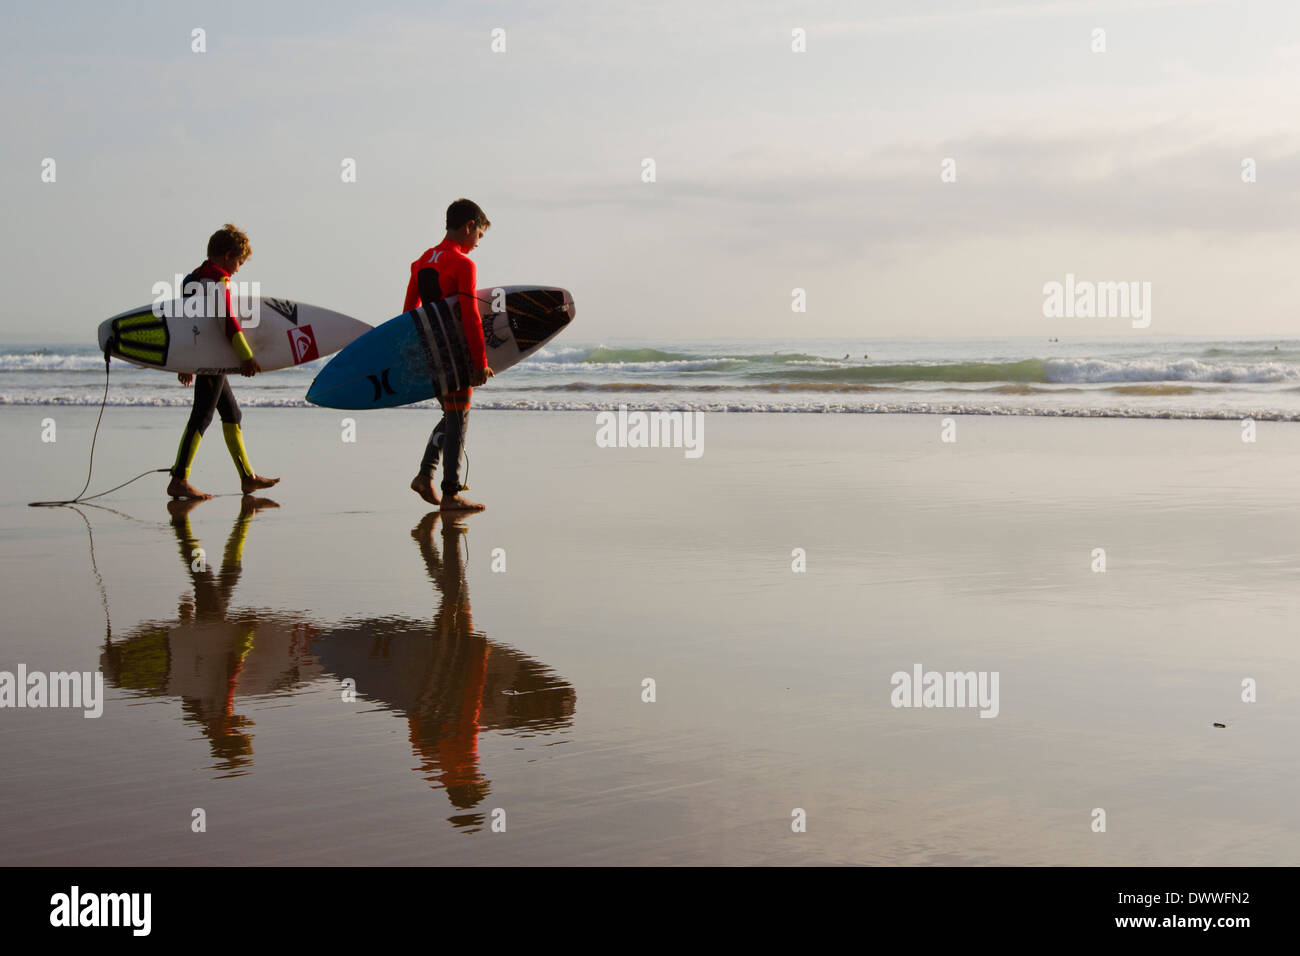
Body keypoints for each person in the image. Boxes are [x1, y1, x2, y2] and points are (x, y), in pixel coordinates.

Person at [168, 224, 279, 500]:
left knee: (232, 415)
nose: (239, 269)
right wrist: (246, 356)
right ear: (229, 255)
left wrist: (184, 361)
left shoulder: (192, 279)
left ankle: (247, 478)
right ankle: (179, 479)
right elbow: (227, 322)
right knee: (202, 415)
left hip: (202, 357)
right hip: (213, 358)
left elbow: (184, 322)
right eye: (240, 262)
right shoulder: (218, 280)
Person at [404, 199, 495, 511]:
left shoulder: (421, 262)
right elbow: (470, 315)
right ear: (469, 226)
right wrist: (480, 362)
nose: (477, 244)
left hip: (431, 353)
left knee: (452, 416)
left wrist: (417, 355)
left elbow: (408, 314)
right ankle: (451, 492)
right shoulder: (462, 264)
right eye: (479, 235)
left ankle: (425, 475)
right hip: (456, 352)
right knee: (458, 419)